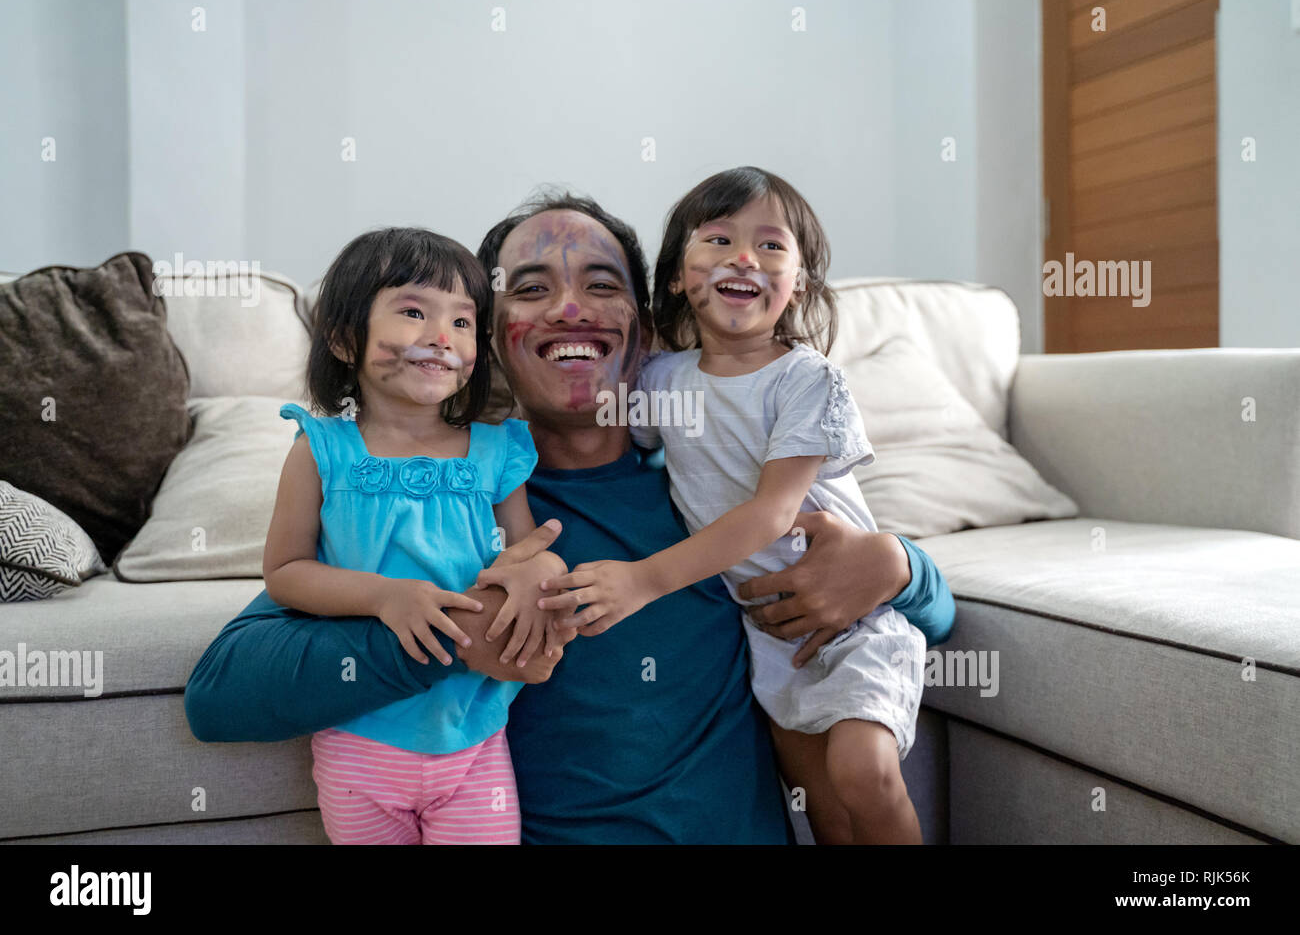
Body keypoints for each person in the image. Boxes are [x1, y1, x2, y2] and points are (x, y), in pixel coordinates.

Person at [185, 190, 955, 844]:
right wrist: (456, 634)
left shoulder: (712, 492)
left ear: (647, 331)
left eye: (601, 284)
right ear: (482, 340)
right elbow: (220, 695)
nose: (569, 309)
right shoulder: (445, 507)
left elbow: (927, 626)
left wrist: (899, 567)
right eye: (527, 289)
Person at [538, 167, 926, 843]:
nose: (744, 257)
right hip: (769, 637)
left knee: (863, 773)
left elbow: (774, 513)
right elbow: (597, 407)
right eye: (717, 240)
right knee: (824, 806)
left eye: (771, 246)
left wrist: (641, 580)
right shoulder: (663, 379)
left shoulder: (807, 379)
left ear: (798, 283)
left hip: (853, 618)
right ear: (680, 278)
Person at [258, 227, 569, 844]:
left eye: (461, 322)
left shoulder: (493, 453)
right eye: (411, 312)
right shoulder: (322, 451)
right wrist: (383, 597)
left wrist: (541, 571)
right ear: (347, 339)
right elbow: (286, 571)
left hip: (475, 736)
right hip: (358, 738)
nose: (441, 337)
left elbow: (527, 548)